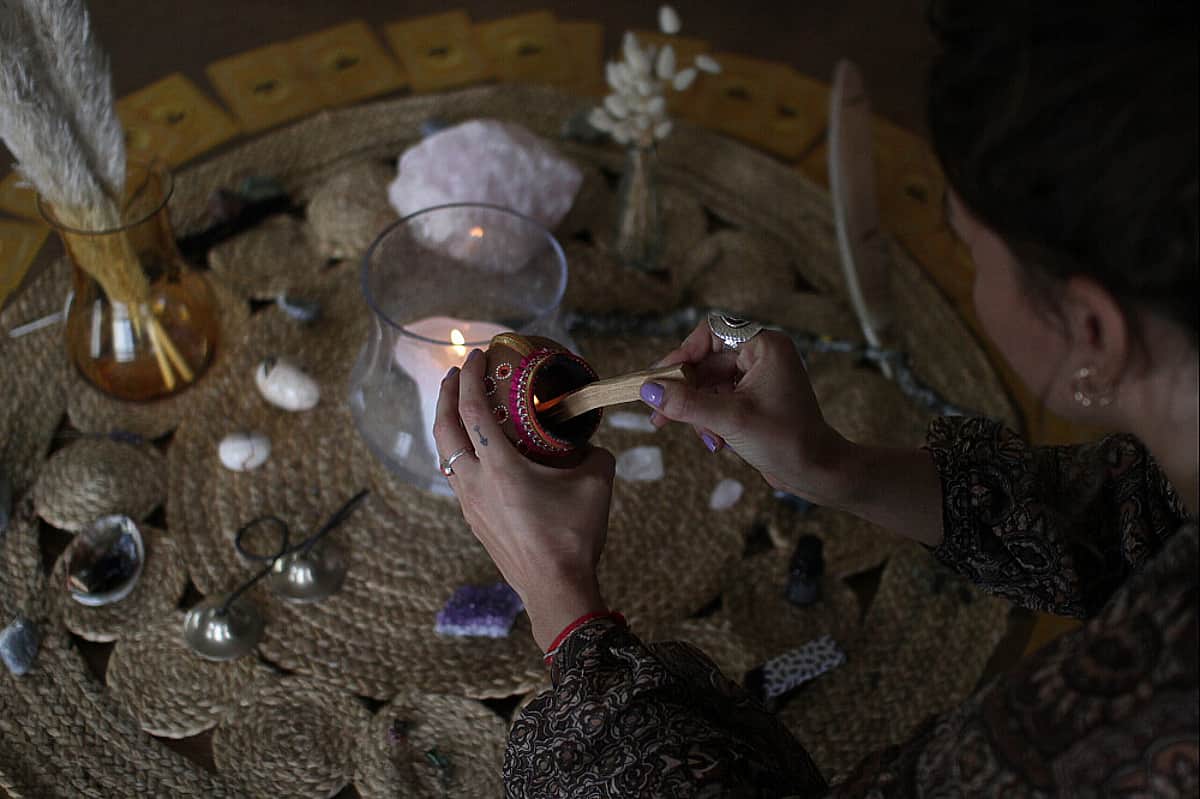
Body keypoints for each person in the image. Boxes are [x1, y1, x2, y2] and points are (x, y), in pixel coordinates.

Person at [432, 1, 1198, 794]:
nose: (968, 281)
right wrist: (833, 465)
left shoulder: (1130, 725)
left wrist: (561, 598)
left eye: (971, 253)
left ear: (1092, 330)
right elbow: (1134, 518)